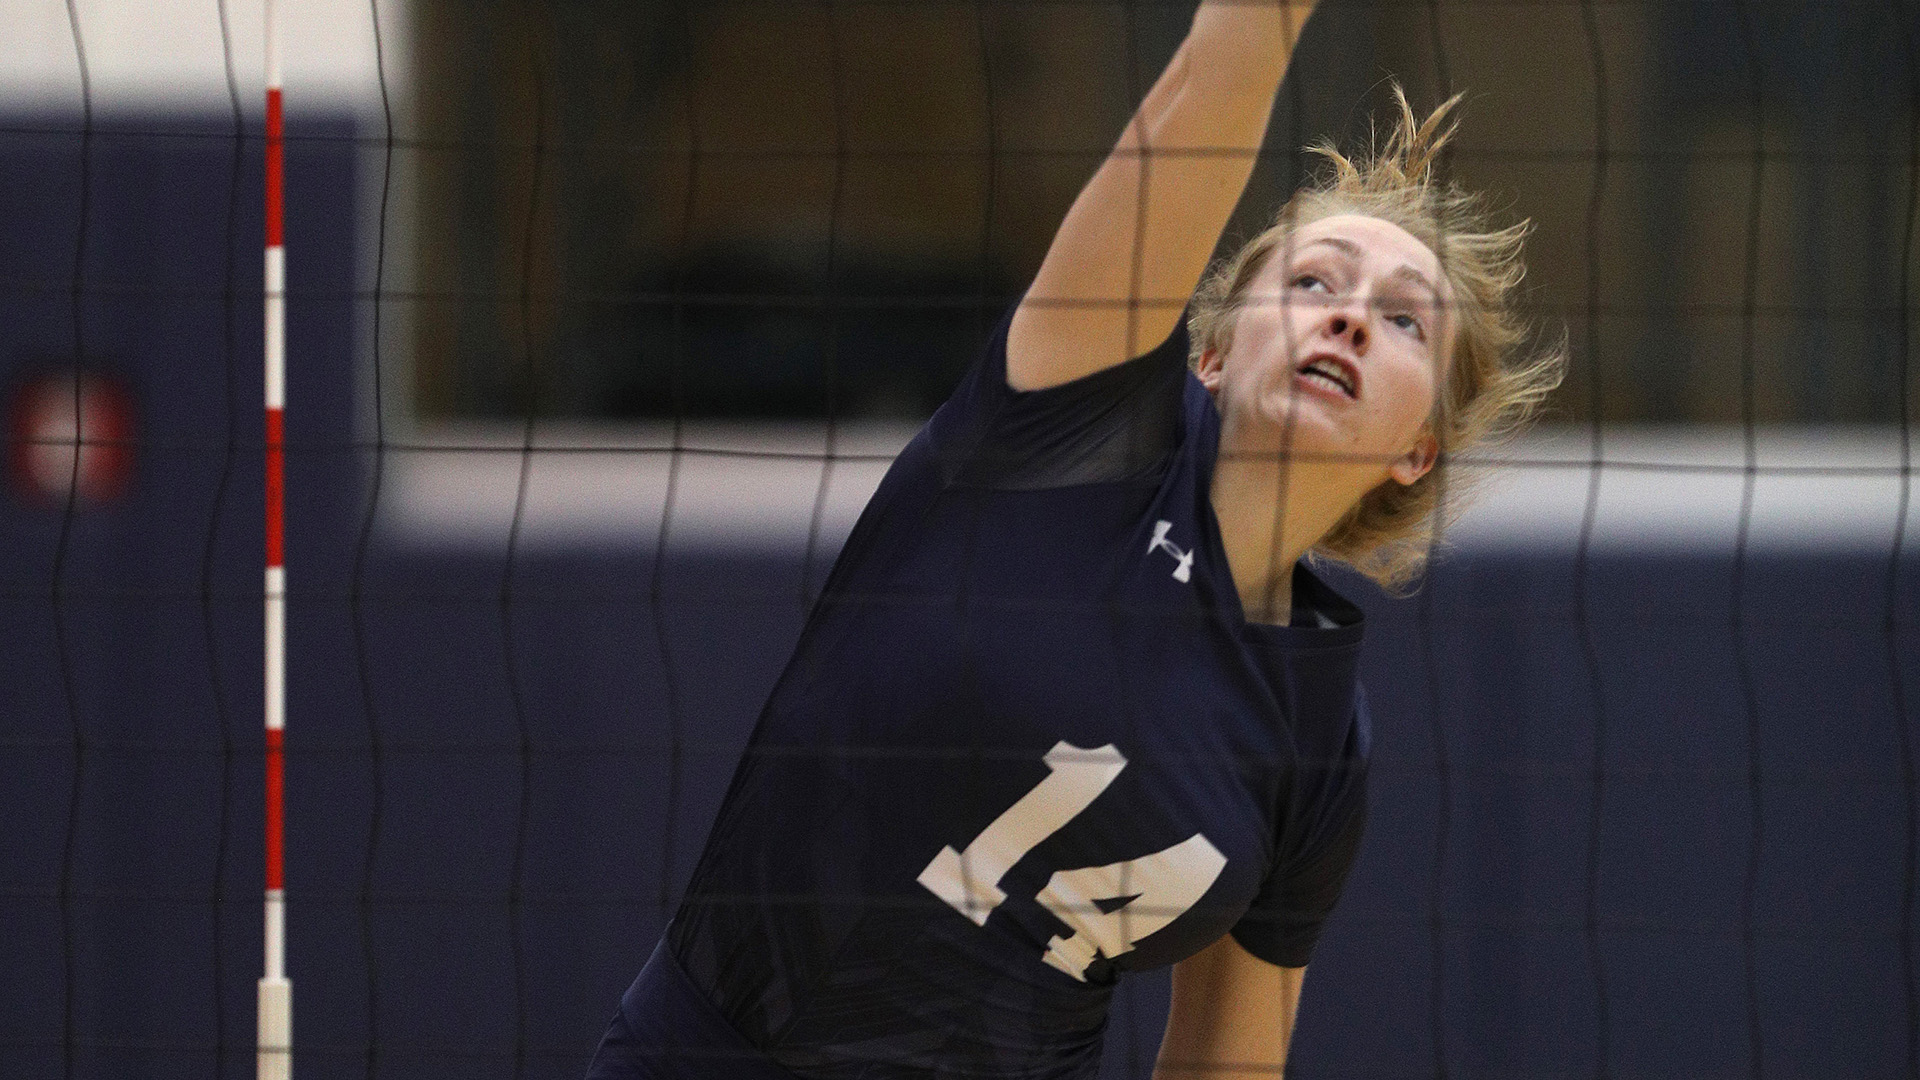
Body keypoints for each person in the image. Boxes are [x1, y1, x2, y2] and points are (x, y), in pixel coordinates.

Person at [588, 1, 1562, 1076]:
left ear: (1416, 450)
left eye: (1406, 318)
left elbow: (1224, 1059)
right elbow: (1217, 85)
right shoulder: (1069, 427)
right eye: (1311, 281)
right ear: (1213, 354)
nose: (1349, 319)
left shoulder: (1314, 733)